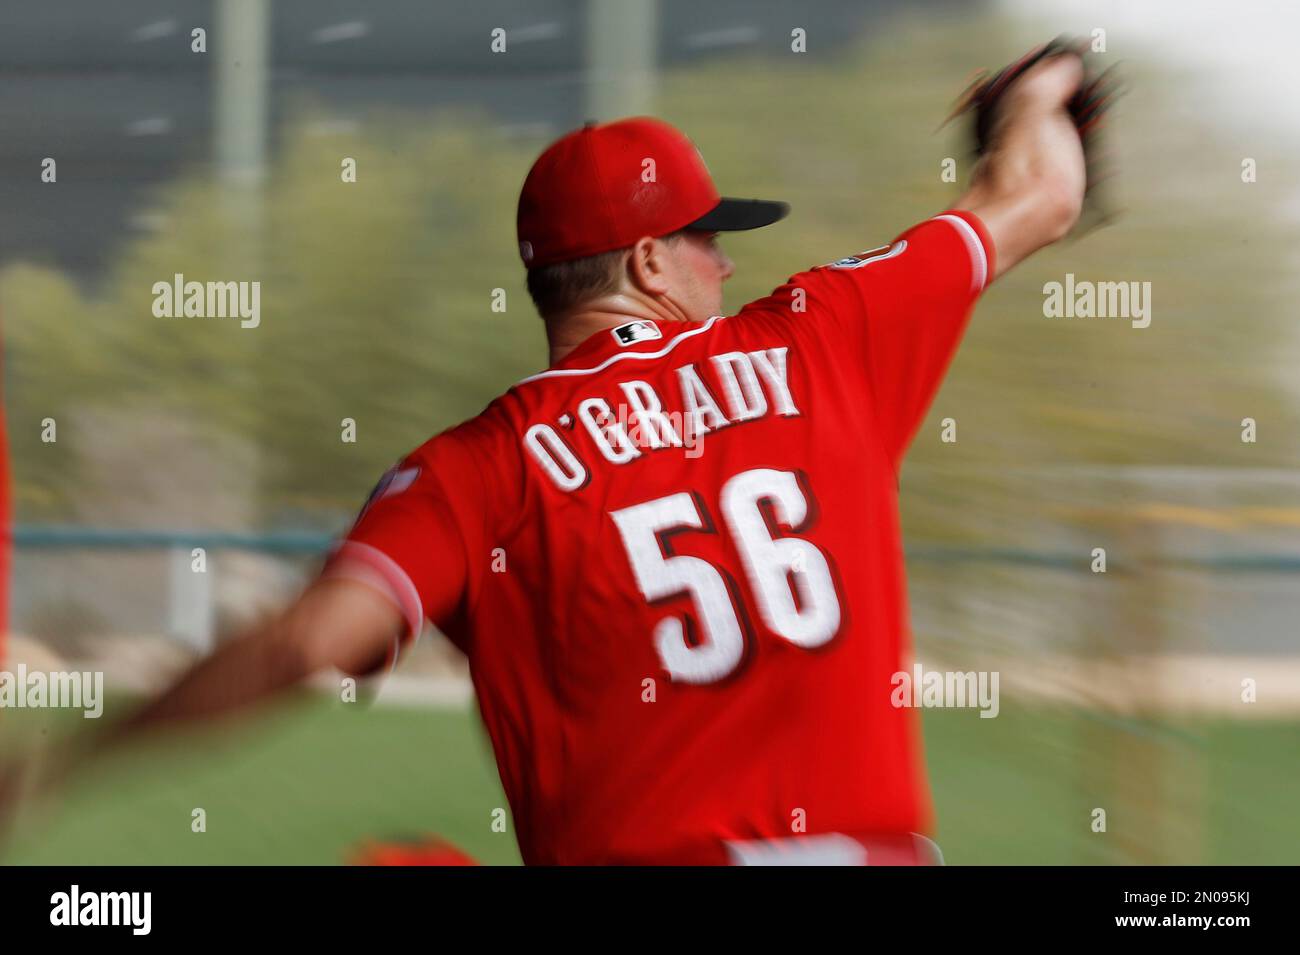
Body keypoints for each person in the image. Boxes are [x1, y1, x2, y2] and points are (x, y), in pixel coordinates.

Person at [7, 50, 1088, 865]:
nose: (723, 260)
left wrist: (75, 756)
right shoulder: (822, 336)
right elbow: (1041, 194)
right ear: (651, 258)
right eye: (709, 237)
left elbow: (306, 644)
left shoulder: (479, 470)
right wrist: (1041, 88)